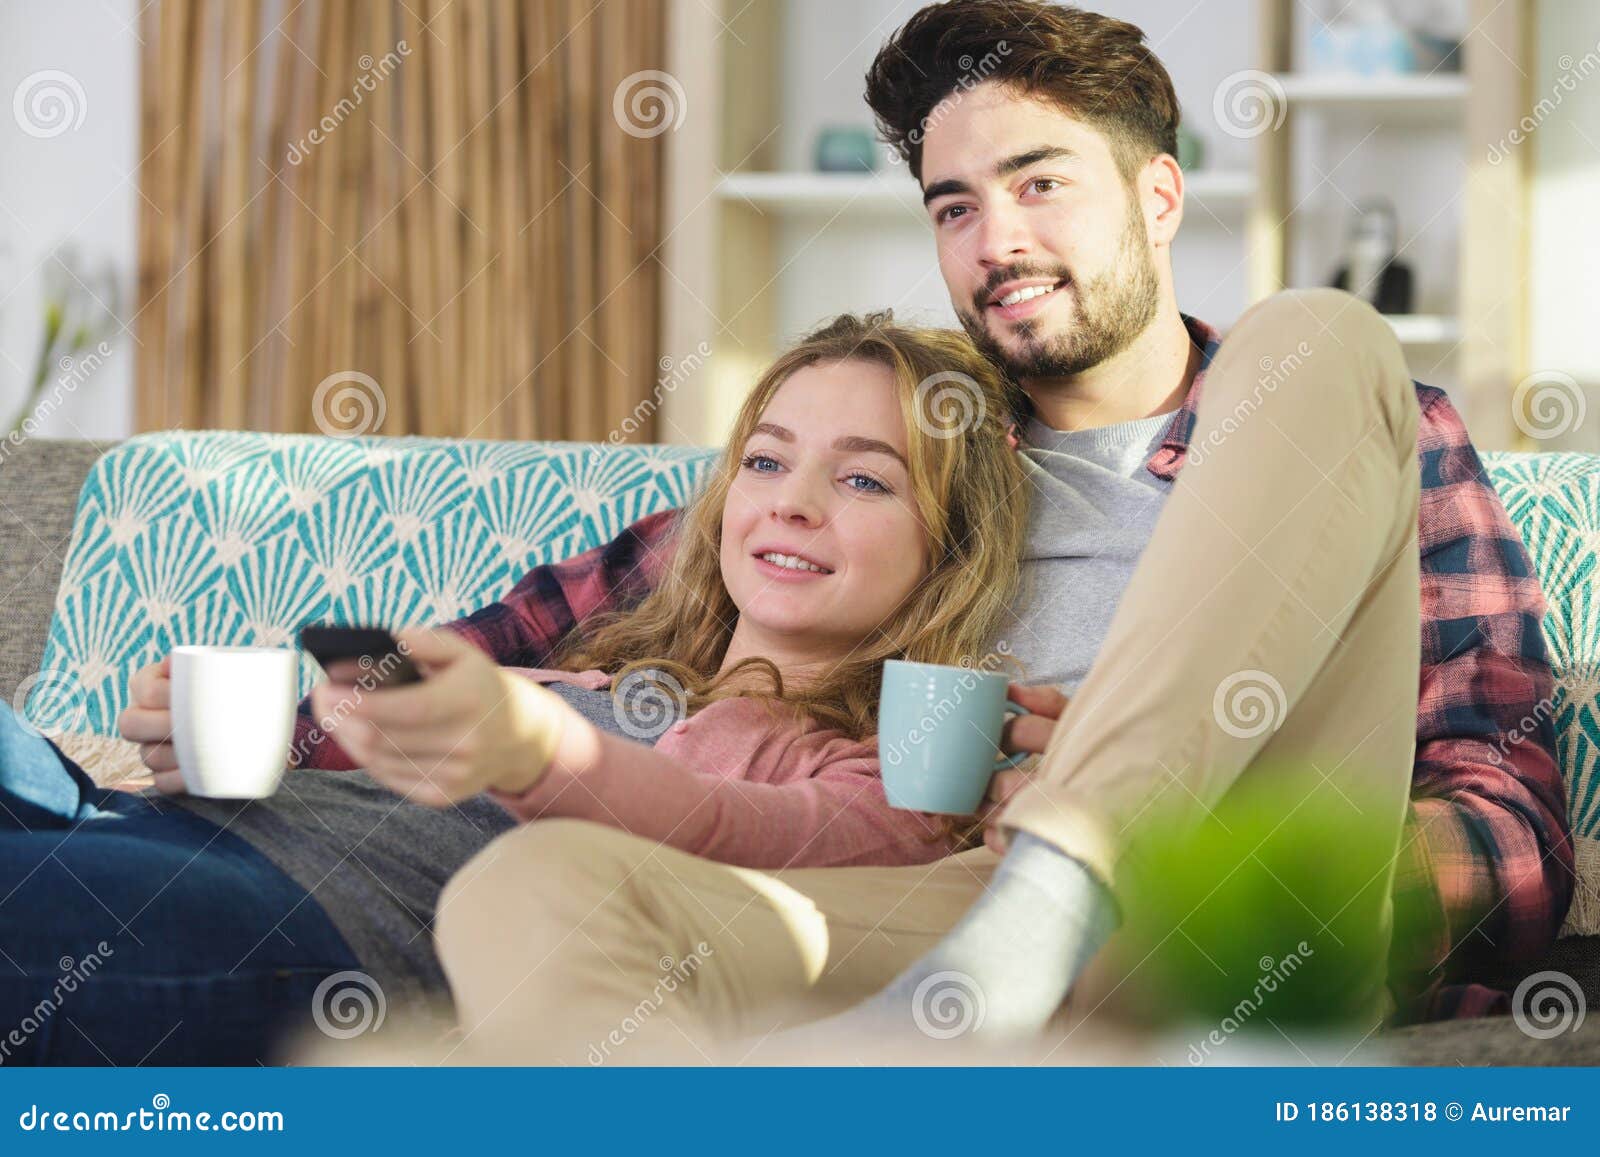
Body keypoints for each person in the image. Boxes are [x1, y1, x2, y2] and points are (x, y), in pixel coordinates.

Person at [427, 0, 1572, 1063]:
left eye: (1039, 184)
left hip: (1235, 912)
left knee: (1322, 329)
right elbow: (592, 610)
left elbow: (1511, 827)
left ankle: (1070, 879)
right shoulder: (911, 433)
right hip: (963, 923)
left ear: (1158, 198)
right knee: (530, 888)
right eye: (955, 206)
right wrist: (357, 699)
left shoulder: (1349, 418)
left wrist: (1154, 817)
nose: (995, 242)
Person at [4, 312, 1028, 1064]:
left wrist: (531, 746)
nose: (792, 503)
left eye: (863, 479)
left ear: (952, 545)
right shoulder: (607, 646)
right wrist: (263, 712)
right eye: (766, 461)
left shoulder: (878, 759)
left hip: (311, 921)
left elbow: (730, 825)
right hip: (147, 819)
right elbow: (398, 673)